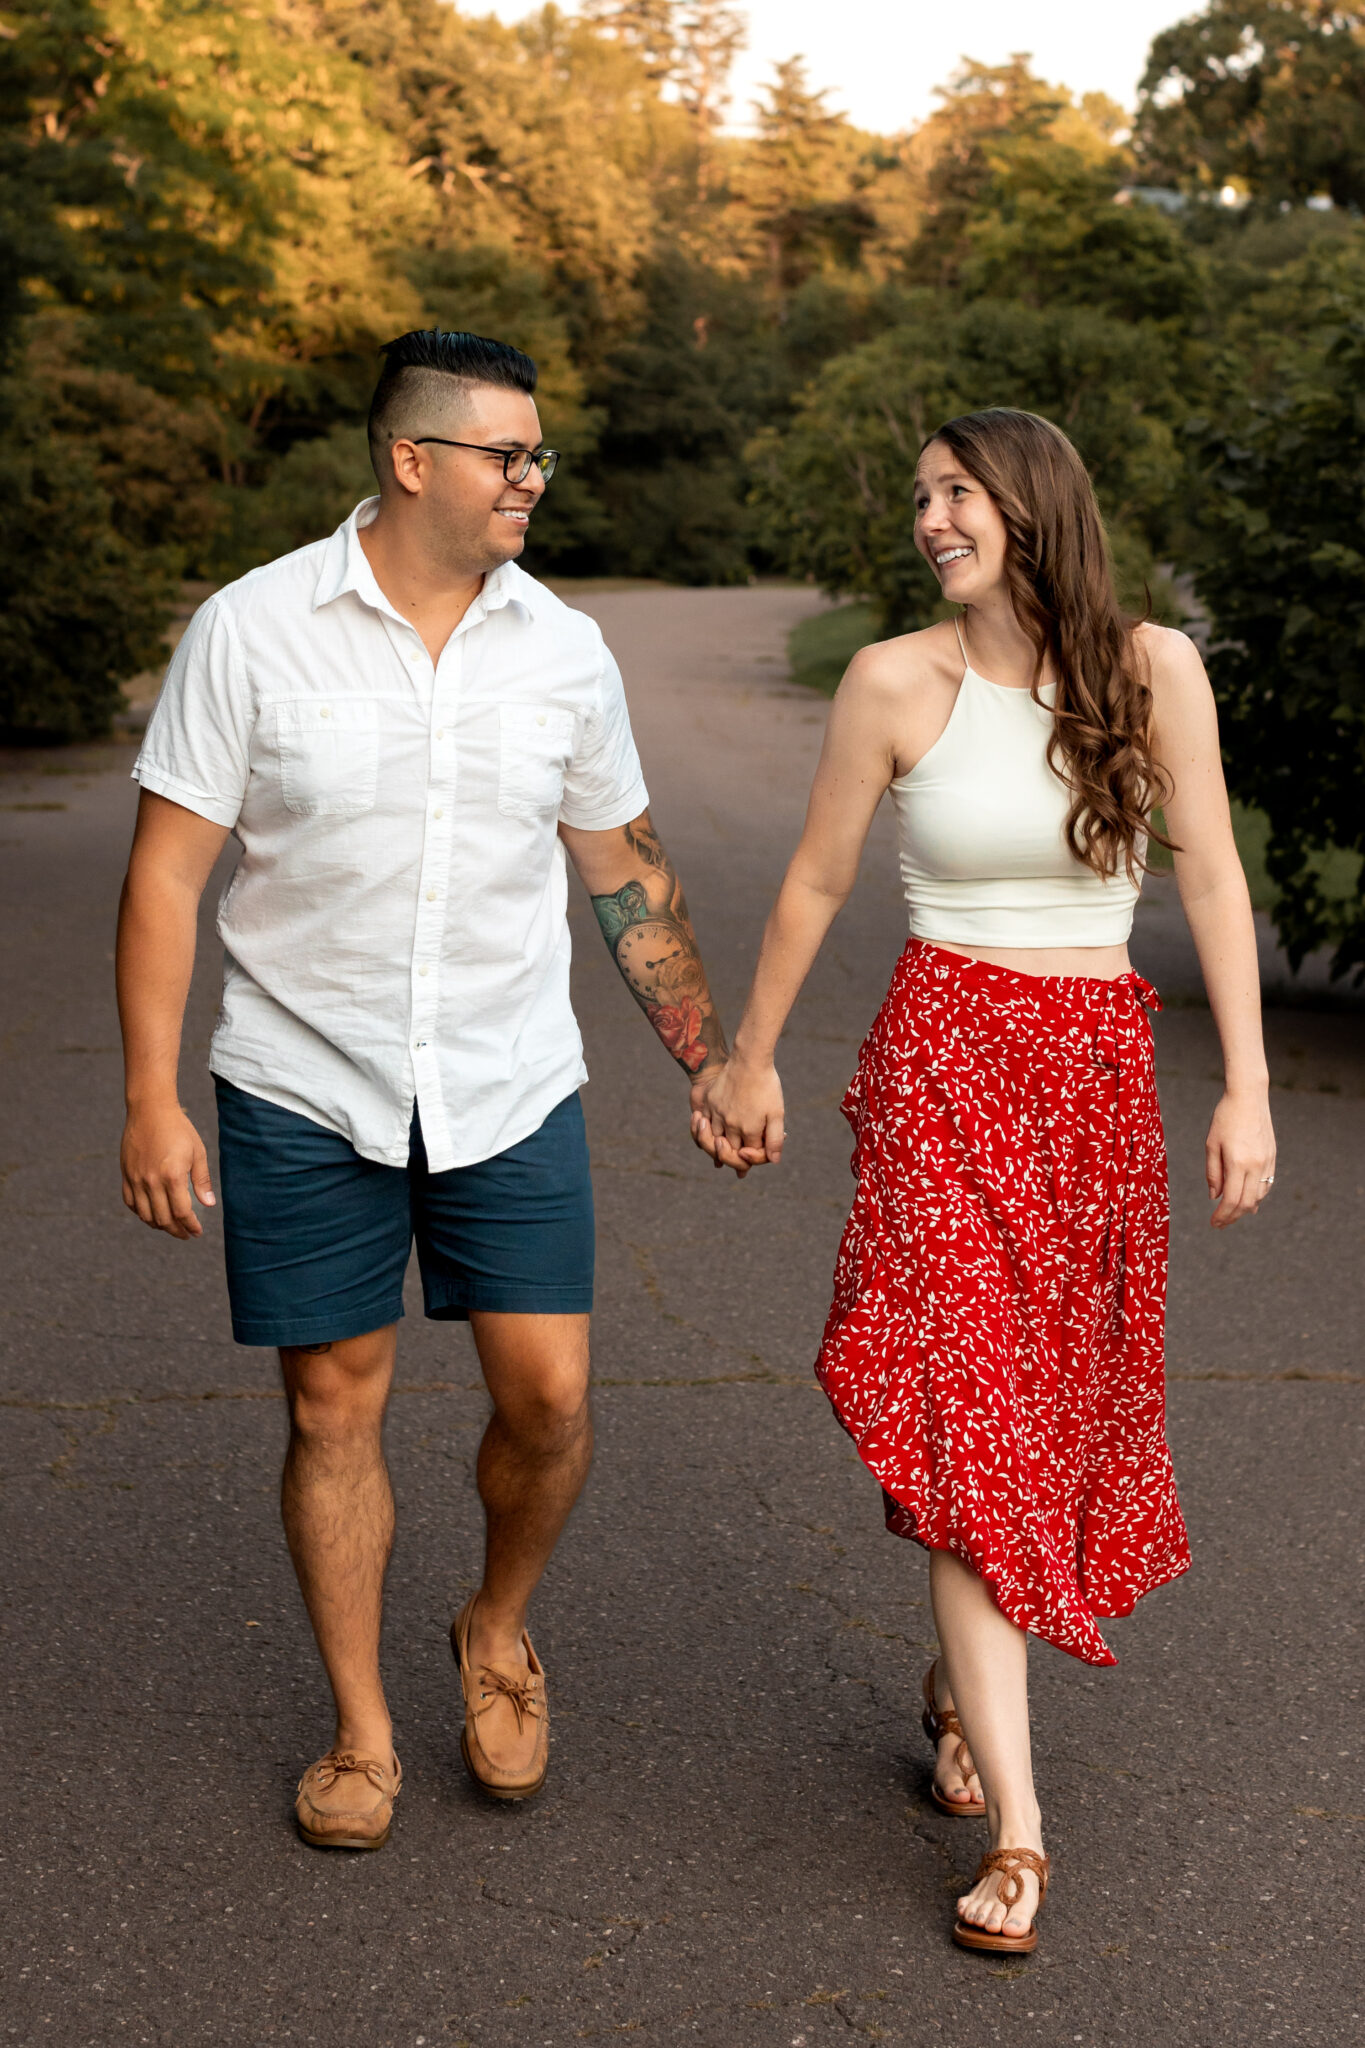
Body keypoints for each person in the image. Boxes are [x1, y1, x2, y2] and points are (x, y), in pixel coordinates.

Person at [117, 329, 740, 1851]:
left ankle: (495, 1621)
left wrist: (708, 1057)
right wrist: (149, 1096)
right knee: (336, 1405)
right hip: (299, 1081)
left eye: (537, 455)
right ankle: (361, 1728)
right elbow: (167, 874)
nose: (532, 479)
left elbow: (622, 870)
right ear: (412, 462)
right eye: (506, 455)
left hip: (507, 1081)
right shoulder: (253, 631)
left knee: (551, 1396)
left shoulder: (565, 650)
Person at [696, 408, 1276, 1954]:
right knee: (969, 1415)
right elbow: (819, 876)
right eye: (918, 498)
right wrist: (746, 1055)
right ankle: (1021, 1838)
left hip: (1091, 1071)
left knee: (1049, 1412)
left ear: (1029, 504)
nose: (928, 518)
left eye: (954, 493)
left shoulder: (1153, 670)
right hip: (944, 1065)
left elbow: (1209, 870)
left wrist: (1246, 1086)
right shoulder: (891, 681)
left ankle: (964, 1681)